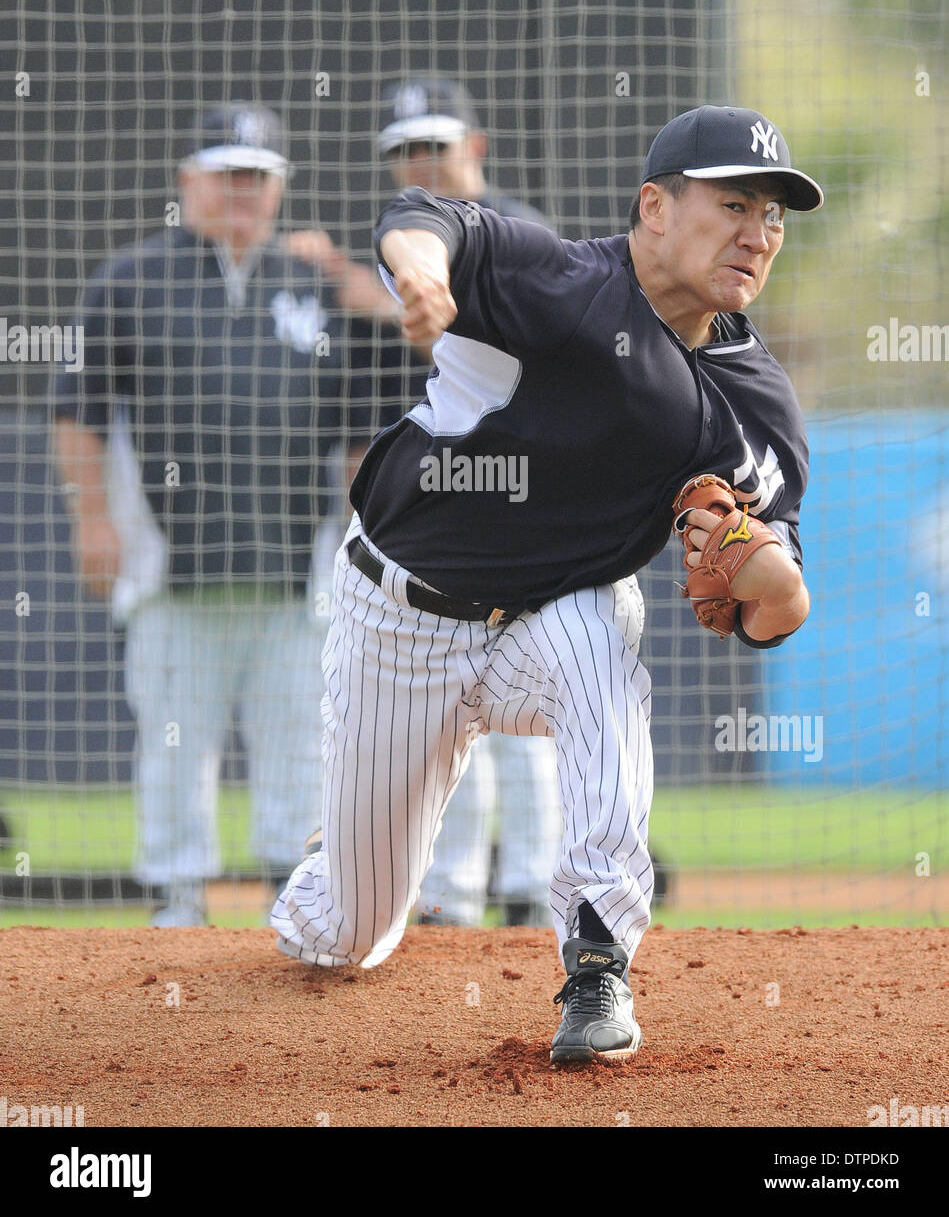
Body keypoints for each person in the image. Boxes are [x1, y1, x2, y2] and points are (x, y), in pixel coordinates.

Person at [271, 104, 822, 1065]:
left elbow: (777, 606)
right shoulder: (557, 279)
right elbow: (422, 213)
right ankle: (338, 873)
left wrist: (760, 570)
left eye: (773, 215)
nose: (756, 233)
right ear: (655, 206)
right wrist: (422, 277)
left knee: (602, 650)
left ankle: (598, 959)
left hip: (554, 615)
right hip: (400, 616)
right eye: (733, 202)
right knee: (349, 936)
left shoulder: (749, 396)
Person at [54, 102, 416, 927]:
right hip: (169, 570)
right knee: (174, 743)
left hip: (295, 570)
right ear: (189, 182)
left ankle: (292, 902)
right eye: (224, 174)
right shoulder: (130, 278)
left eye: (255, 175)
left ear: (280, 186)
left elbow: (360, 432)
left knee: (299, 748)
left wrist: (368, 541)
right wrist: (92, 519)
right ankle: (176, 900)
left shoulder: (319, 284)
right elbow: (78, 412)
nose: (240, 190)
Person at [377, 75, 561, 928]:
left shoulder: (520, 233)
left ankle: (530, 887)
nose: (421, 160)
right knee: (445, 703)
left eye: (434, 144)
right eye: (406, 150)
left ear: (473, 148)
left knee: (531, 707)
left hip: (523, 500)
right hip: (439, 509)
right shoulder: (397, 244)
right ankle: (454, 895)